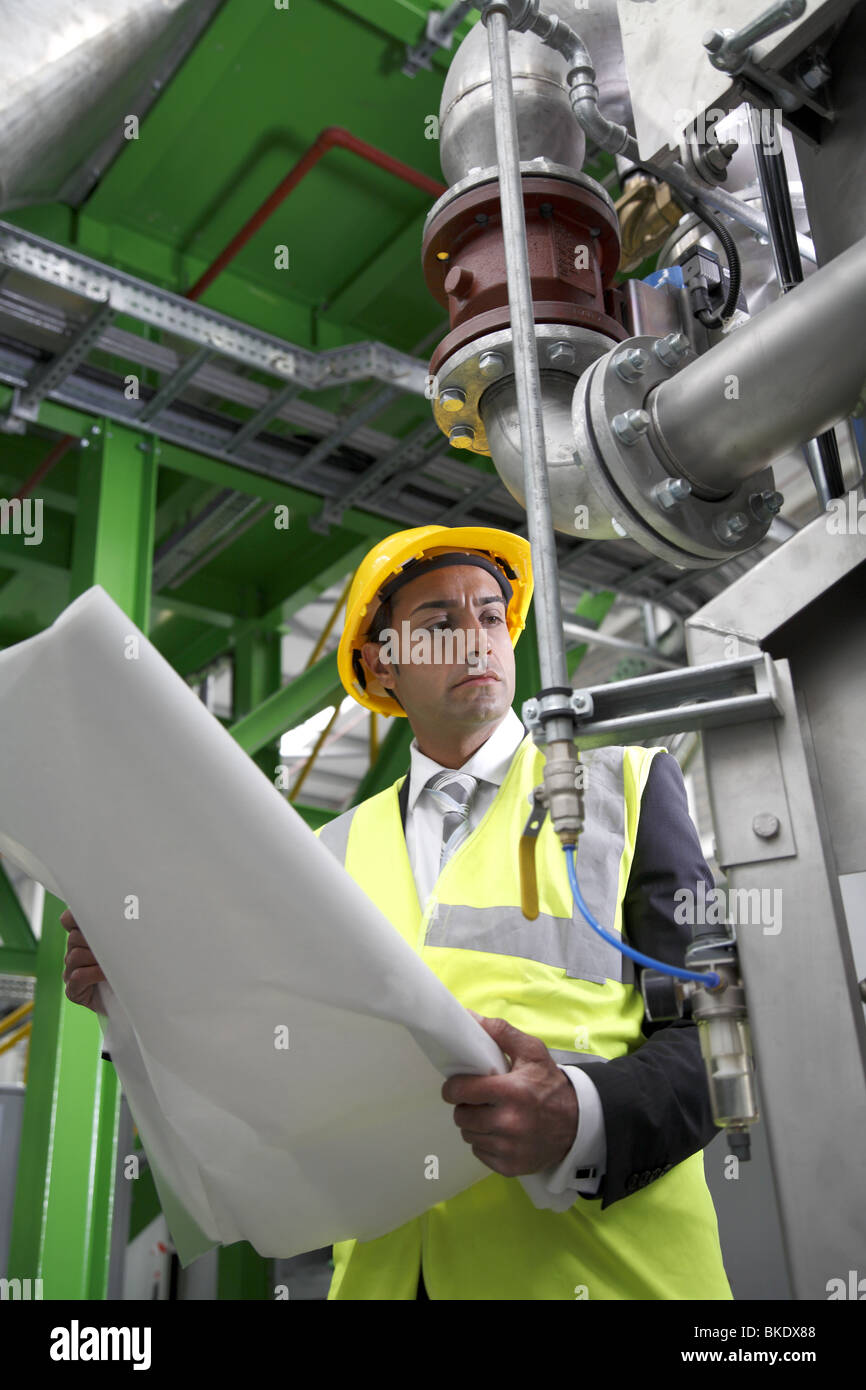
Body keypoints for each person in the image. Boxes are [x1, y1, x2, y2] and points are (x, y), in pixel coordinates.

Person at [62, 522, 733, 1301]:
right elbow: (268, 1061)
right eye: (440, 625)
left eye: (489, 615)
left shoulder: (629, 789)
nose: (476, 640)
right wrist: (143, 994)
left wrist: (580, 1119)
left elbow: (722, 1037)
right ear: (386, 662)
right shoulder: (321, 852)